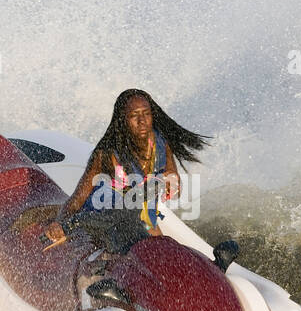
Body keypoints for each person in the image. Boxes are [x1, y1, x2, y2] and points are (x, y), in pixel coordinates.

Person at [44, 90, 207, 245]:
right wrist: (59, 225)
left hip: (143, 223)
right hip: (100, 225)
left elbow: (175, 186)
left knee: (161, 248)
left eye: (146, 113)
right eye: (134, 115)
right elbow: (77, 200)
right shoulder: (107, 154)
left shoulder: (161, 144)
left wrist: (173, 182)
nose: (142, 121)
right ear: (123, 119)